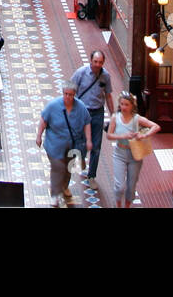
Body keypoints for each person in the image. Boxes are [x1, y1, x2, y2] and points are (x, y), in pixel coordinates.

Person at [36, 82, 92, 207]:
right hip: (55, 144)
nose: (68, 97)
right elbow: (43, 120)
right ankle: (55, 195)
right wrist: (39, 136)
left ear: (74, 95)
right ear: (63, 93)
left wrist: (88, 140)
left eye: (71, 95)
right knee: (58, 168)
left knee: (68, 168)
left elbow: (87, 123)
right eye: (66, 94)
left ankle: (65, 186)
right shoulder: (53, 106)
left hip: (72, 145)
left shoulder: (80, 107)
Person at [105, 91, 160, 208]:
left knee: (131, 185)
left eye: (126, 105)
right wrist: (122, 136)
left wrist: (144, 135)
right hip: (119, 153)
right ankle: (118, 204)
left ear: (132, 106)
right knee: (119, 186)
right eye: (122, 104)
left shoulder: (136, 118)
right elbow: (109, 136)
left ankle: (127, 206)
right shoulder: (115, 118)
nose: (123, 107)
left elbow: (156, 126)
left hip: (135, 155)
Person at [70, 50, 115, 187]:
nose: (97, 65)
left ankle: (91, 176)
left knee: (96, 145)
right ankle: (82, 158)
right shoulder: (81, 73)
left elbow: (108, 95)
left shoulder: (105, 76)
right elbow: (70, 89)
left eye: (100, 62)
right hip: (82, 112)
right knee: (81, 141)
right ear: (91, 61)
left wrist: (113, 115)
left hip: (97, 113)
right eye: (95, 62)